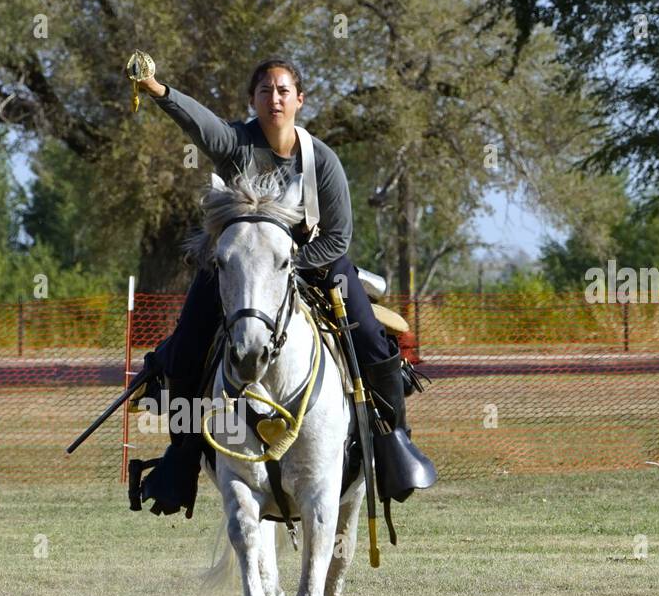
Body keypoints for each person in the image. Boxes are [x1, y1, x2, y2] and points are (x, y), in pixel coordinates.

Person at [131, 55, 434, 517]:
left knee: (372, 340)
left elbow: (339, 237)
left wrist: (290, 267)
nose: (274, 98)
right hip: (239, 270)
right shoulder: (235, 145)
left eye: (283, 91)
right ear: (252, 100)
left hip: (317, 264)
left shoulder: (323, 161)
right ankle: (183, 455)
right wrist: (157, 88)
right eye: (265, 91)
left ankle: (392, 442)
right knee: (184, 348)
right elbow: (200, 124)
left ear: (299, 100)